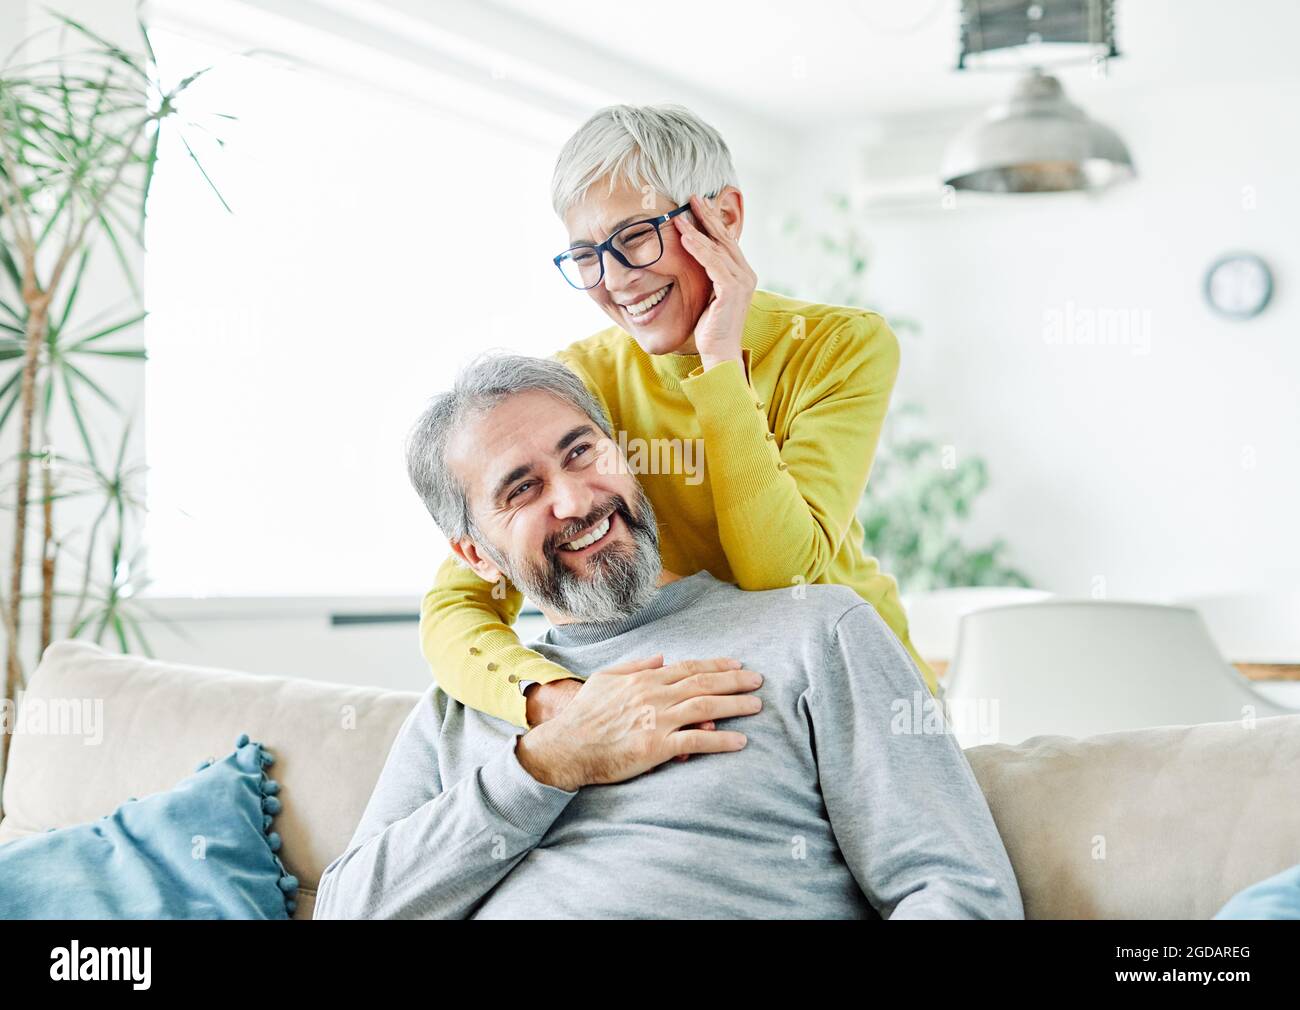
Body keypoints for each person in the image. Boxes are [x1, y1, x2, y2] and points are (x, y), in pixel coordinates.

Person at [311, 355, 1023, 919]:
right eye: (521, 490)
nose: (575, 499)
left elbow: (959, 891)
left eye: (582, 452)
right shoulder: (458, 713)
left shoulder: (816, 633)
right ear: (473, 555)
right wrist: (546, 764)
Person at [418, 103, 938, 731]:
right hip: (709, 698)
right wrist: (555, 702)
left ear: (725, 218)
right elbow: (459, 601)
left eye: (636, 236)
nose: (614, 280)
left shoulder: (839, 346)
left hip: (854, 686)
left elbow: (779, 572)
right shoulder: (580, 383)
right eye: (587, 255)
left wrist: (719, 362)